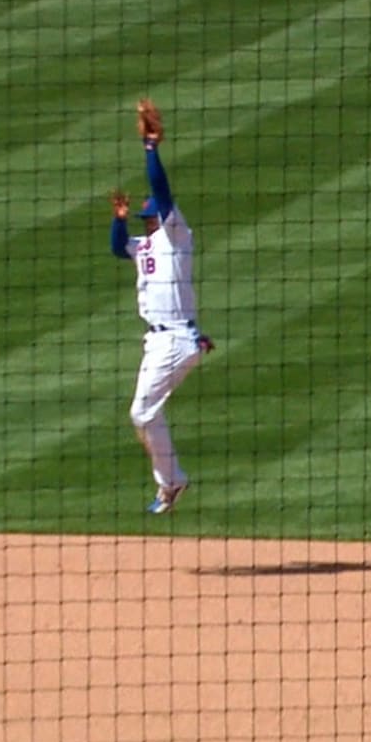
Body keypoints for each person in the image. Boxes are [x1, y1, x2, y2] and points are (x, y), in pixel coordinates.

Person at [109, 99, 214, 514]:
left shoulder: (176, 235)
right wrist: (118, 221)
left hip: (173, 341)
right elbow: (119, 248)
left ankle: (171, 482)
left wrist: (151, 150)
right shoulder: (147, 245)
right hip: (159, 343)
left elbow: (163, 193)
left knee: (141, 412)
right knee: (144, 414)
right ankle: (171, 481)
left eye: (150, 215)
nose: (148, 219)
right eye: (145, 217)